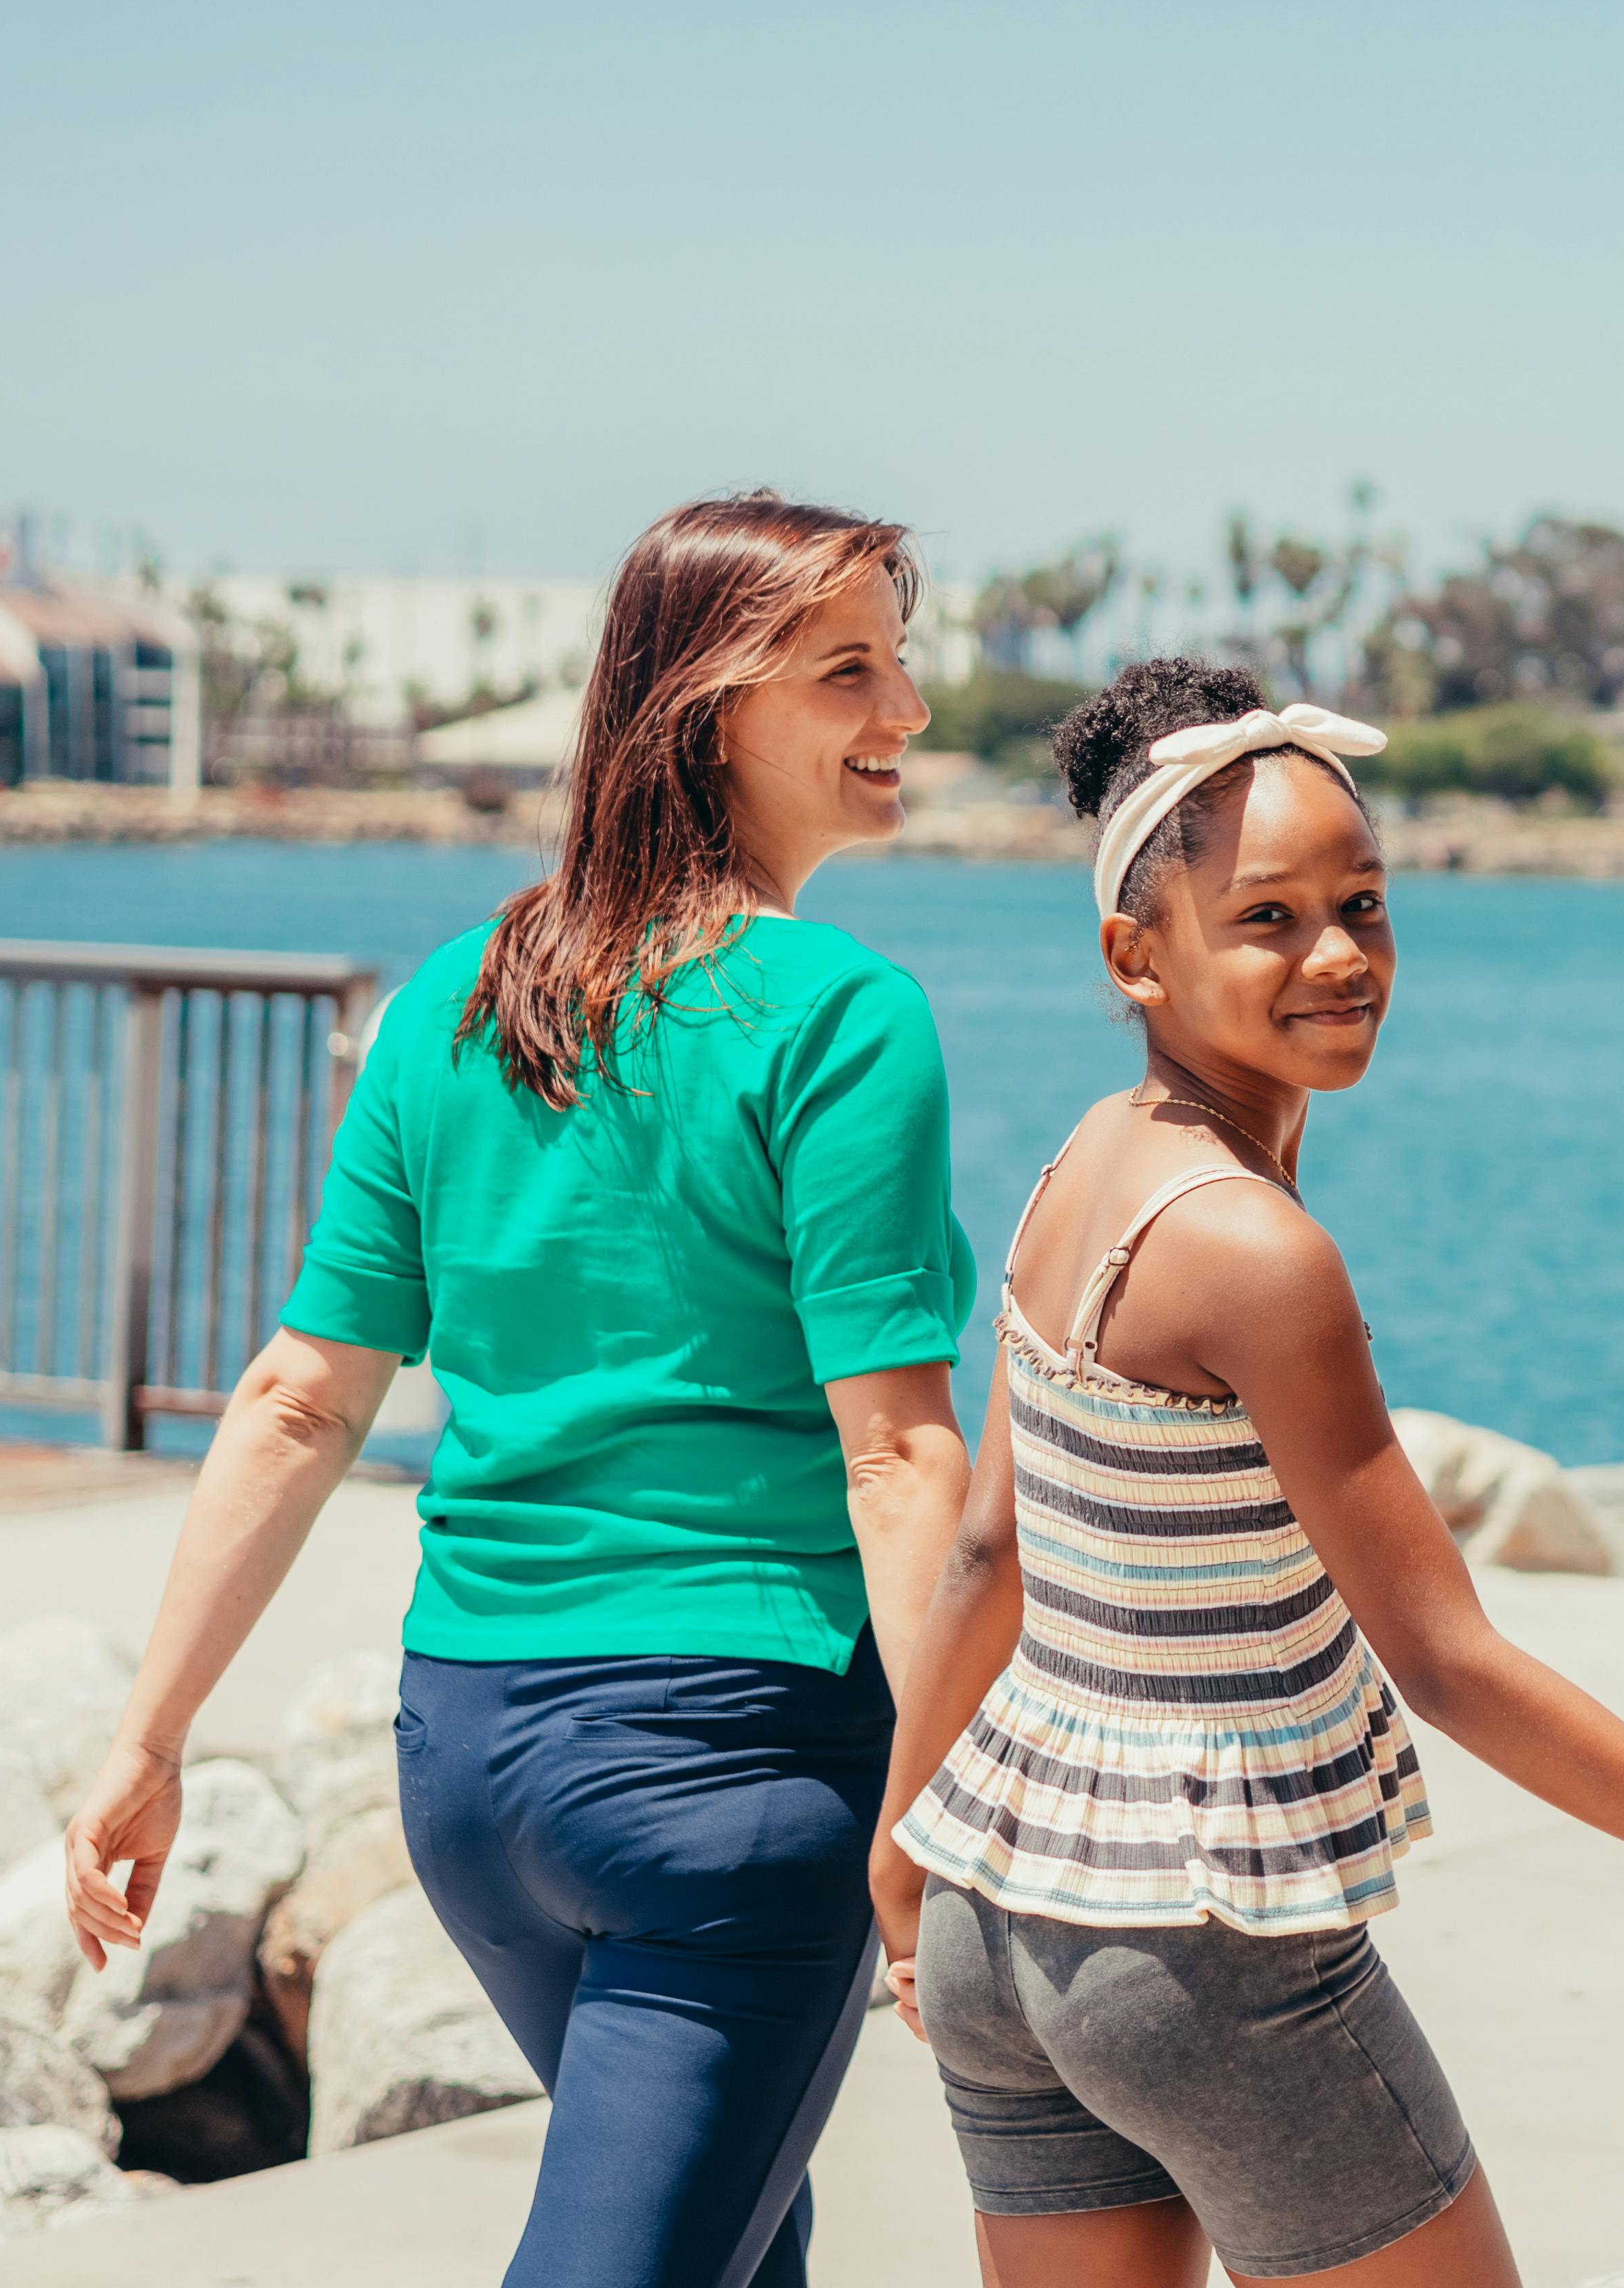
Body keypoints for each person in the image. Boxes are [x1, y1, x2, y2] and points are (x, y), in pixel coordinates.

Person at [868, 656, 1624, 2288]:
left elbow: (992, 1553)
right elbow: (1450, 1660)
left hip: (1001, 1907)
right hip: (1202, 1961)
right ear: (1138, 950)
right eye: (1267, 918)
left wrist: (902, 1848)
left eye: (1367, 902)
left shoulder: (1085, 1171)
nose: (1339, 955)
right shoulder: (1259, 1254)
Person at [65, 493, 979, 2288]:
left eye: (901, 660)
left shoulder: (458, 1000)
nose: (910, 711)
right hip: (732, 1773)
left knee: (735, 2238)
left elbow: (297, 1401)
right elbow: (894, 1460)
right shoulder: (843, 1018)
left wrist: (148, 1740)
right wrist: (942, 1814)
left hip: (473, 1768)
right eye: (851, 670)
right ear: (716, 704)